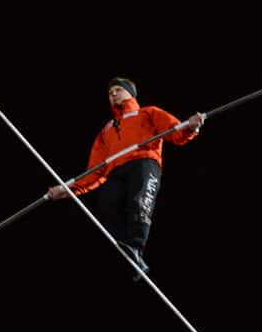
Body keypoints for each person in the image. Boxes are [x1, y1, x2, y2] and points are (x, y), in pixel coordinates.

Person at [47, 77, 205, 279]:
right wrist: (67, 190)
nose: (113, 95)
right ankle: (124, 250)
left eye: (118, 90)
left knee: (139, 203)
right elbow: (94, 171)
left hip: (143, 162)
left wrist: (191, 126)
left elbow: (175, 131)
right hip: (115, 170)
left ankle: (136, 248)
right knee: (108, 204)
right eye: (110, 93)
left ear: (131, 93)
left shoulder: (147, 113)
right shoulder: (106, 130)